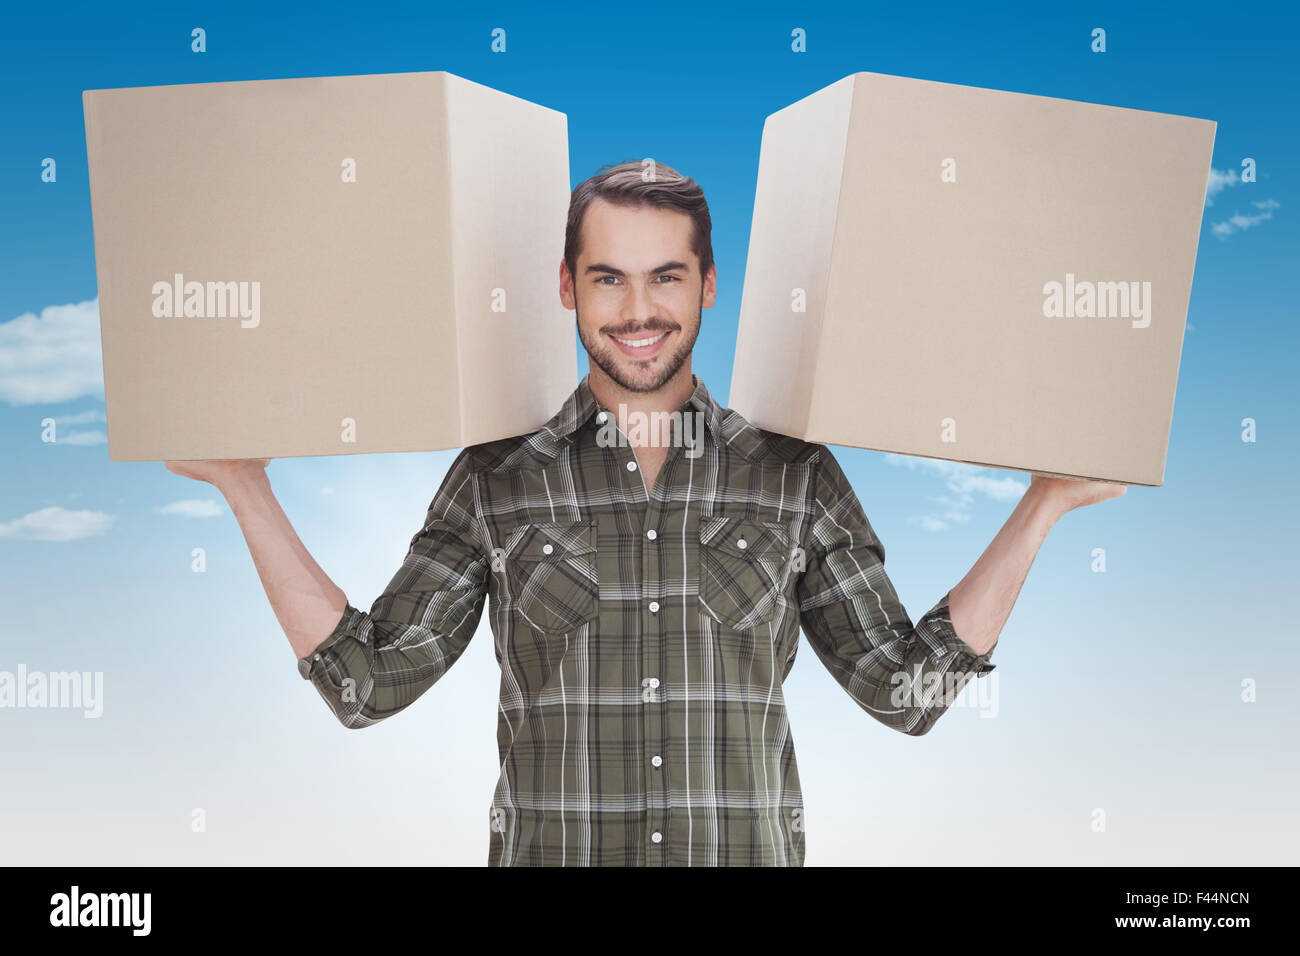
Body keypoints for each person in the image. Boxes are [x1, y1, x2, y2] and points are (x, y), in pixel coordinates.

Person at [165, 160, 1125, 866]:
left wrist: (1045, 505)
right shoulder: (497, 479)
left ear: (707, 286)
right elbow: (364, 686)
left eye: (666, 276)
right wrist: (243, 483)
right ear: (566, 289)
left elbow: (906, 694)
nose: (638, 309)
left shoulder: (792, 476)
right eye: (608, 277)